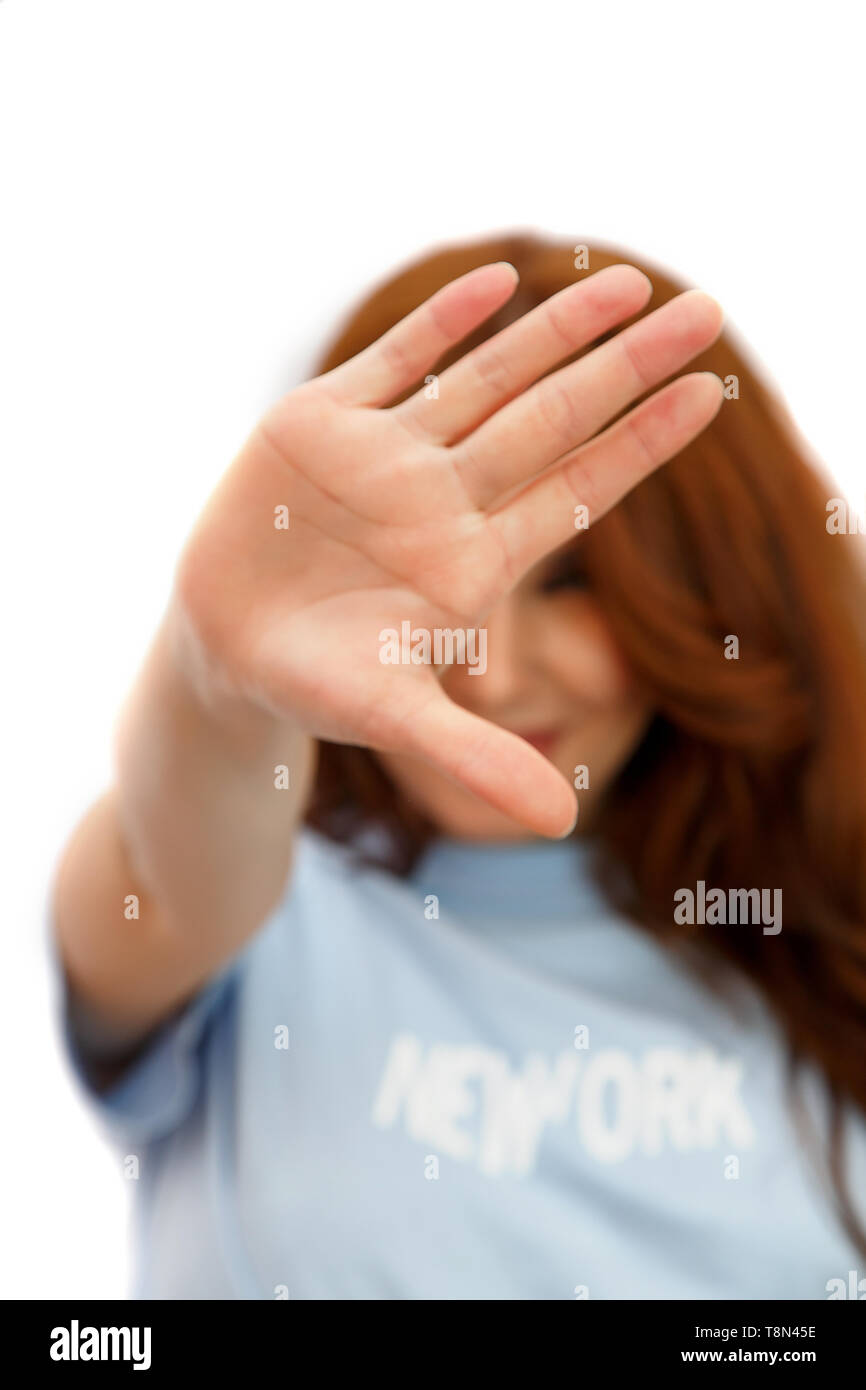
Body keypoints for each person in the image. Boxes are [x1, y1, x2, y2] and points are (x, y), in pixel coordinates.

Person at [49, 231, 866, 1300]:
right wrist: (212, 676)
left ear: (712, 595)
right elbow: (164, 864)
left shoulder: (815, 932)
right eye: (428, 602)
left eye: (569, 580)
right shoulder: (264, 902)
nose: (489, 676)